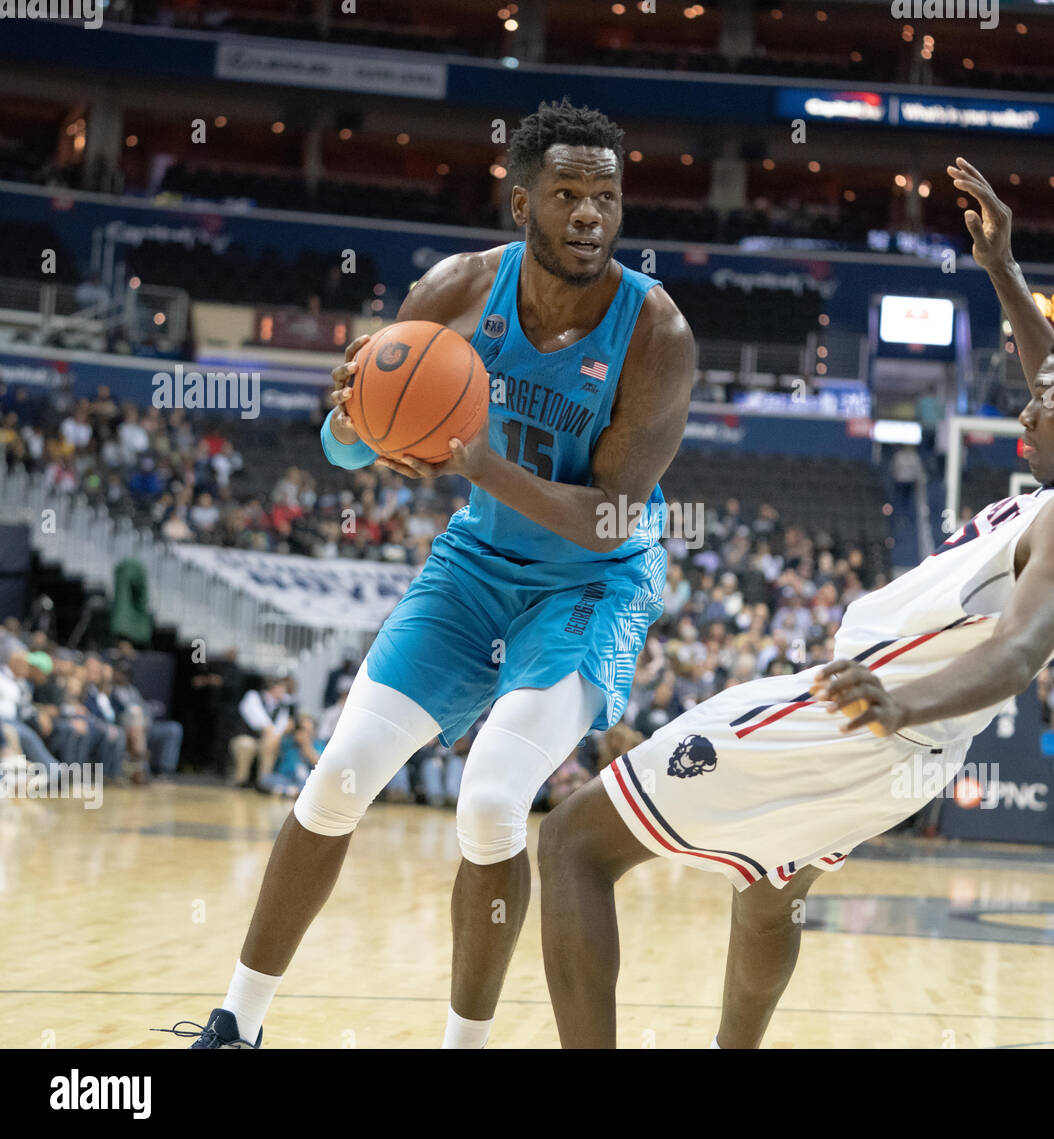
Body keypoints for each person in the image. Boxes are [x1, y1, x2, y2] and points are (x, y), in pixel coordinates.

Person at [536, 157, 1054, 1048]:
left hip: (862, 714)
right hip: (916, 756)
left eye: (1044, 408)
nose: (1024, 416)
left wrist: (894, 698)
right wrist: (1002, 269)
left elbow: (1020, 651)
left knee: (571, 845)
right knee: (769, 888)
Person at [175, 99, 695, 1049]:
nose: (590, 214)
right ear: (521, 203)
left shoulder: (656, 335)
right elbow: (344, 447)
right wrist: (350, 411)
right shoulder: (455, 289)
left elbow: (613, 514)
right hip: (475, 567)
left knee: (495, 799)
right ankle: (235, 1023)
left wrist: (480, 461)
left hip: (591, 581)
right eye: (569, 194)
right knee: (335, 777)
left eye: (607, 197)